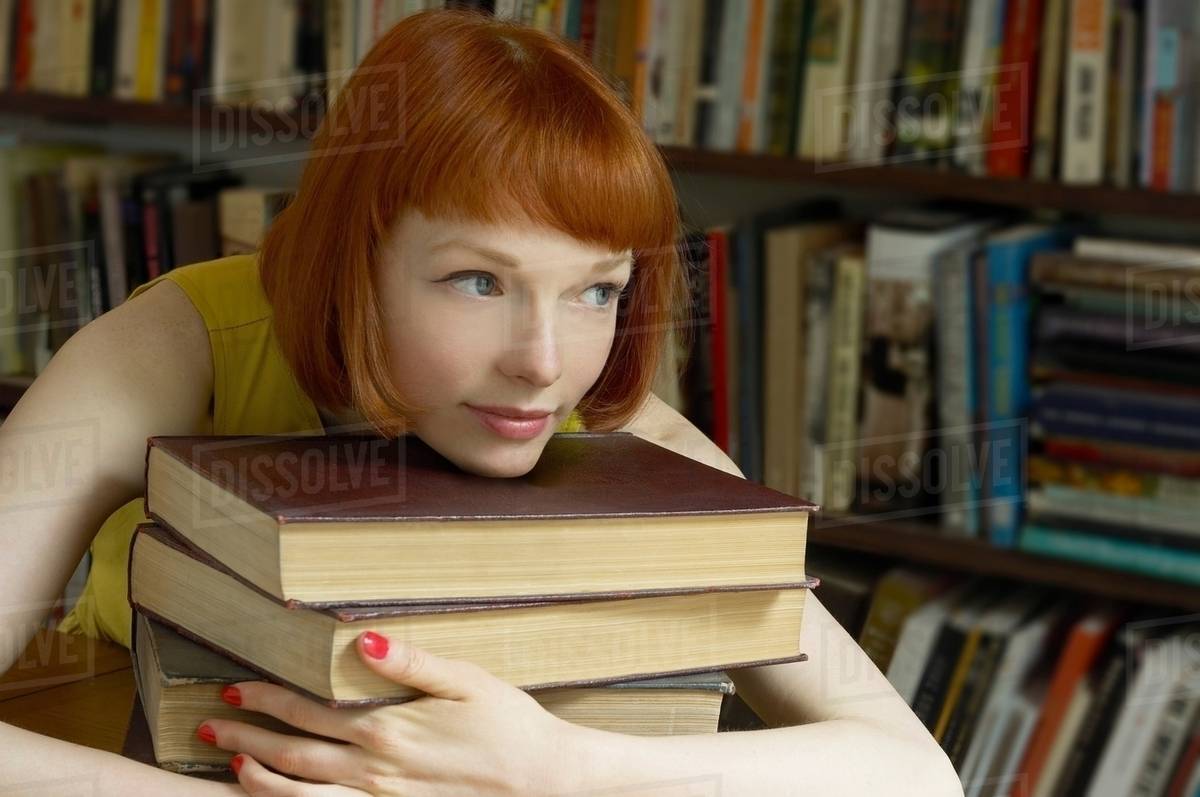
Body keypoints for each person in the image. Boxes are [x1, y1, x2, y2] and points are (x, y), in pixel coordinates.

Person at [0, 9, 962, 796]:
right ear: (359, 256)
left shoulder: (630, 440)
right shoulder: (174, 348)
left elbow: (909, 770)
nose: (544, 365)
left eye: (596, 290)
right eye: (478, 281)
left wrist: (558, 766)